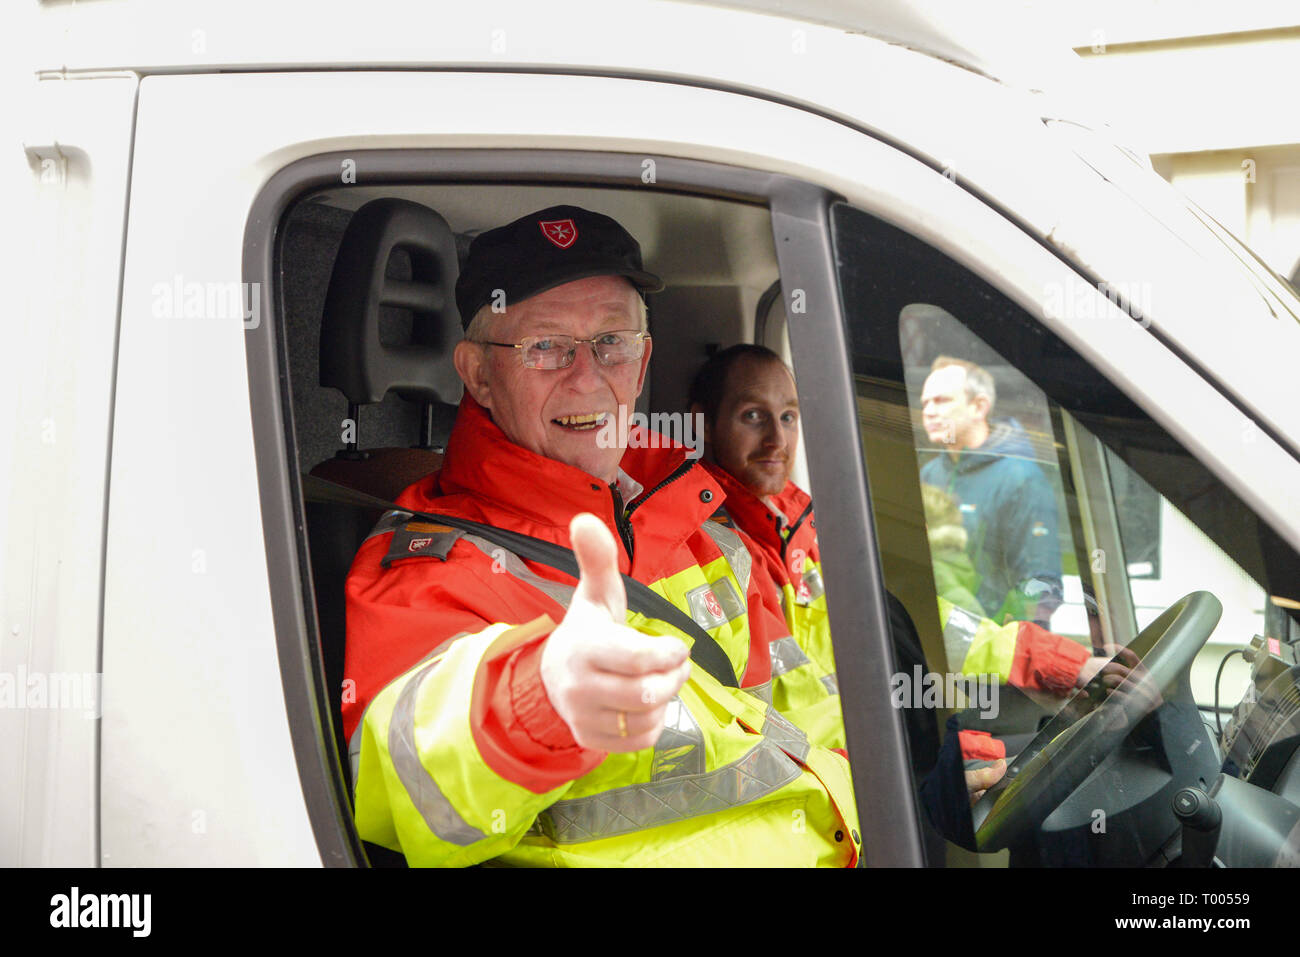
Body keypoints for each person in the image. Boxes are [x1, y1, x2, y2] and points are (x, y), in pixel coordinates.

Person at [342, 206, 861, 867]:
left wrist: (911, 783)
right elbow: (402, 783)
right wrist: (539, 697)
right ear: (477, 374)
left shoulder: (706, 520)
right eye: (545, 346)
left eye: (612, 342)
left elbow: (804, 708)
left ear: (643, 362)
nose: (587, 377)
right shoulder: (431, 565)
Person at [687, 345, 1113, 839]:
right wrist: (911, 760)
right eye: (753, 416)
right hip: (822, 809)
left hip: (860, 780)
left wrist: (1063, 665)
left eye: (788, 416)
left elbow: (932, 627)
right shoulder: (706, 548)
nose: (777, 439)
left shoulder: (798, 528)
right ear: (700, 424)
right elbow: (767, 721)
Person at [919, 356, 1064, 627]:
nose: (928, 411)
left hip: (1001, 651)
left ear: (979, 406)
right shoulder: (930, 474)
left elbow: (1041, 587)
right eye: (925, 402)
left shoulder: (1021, 478)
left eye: (941, 401)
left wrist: (993, 637)